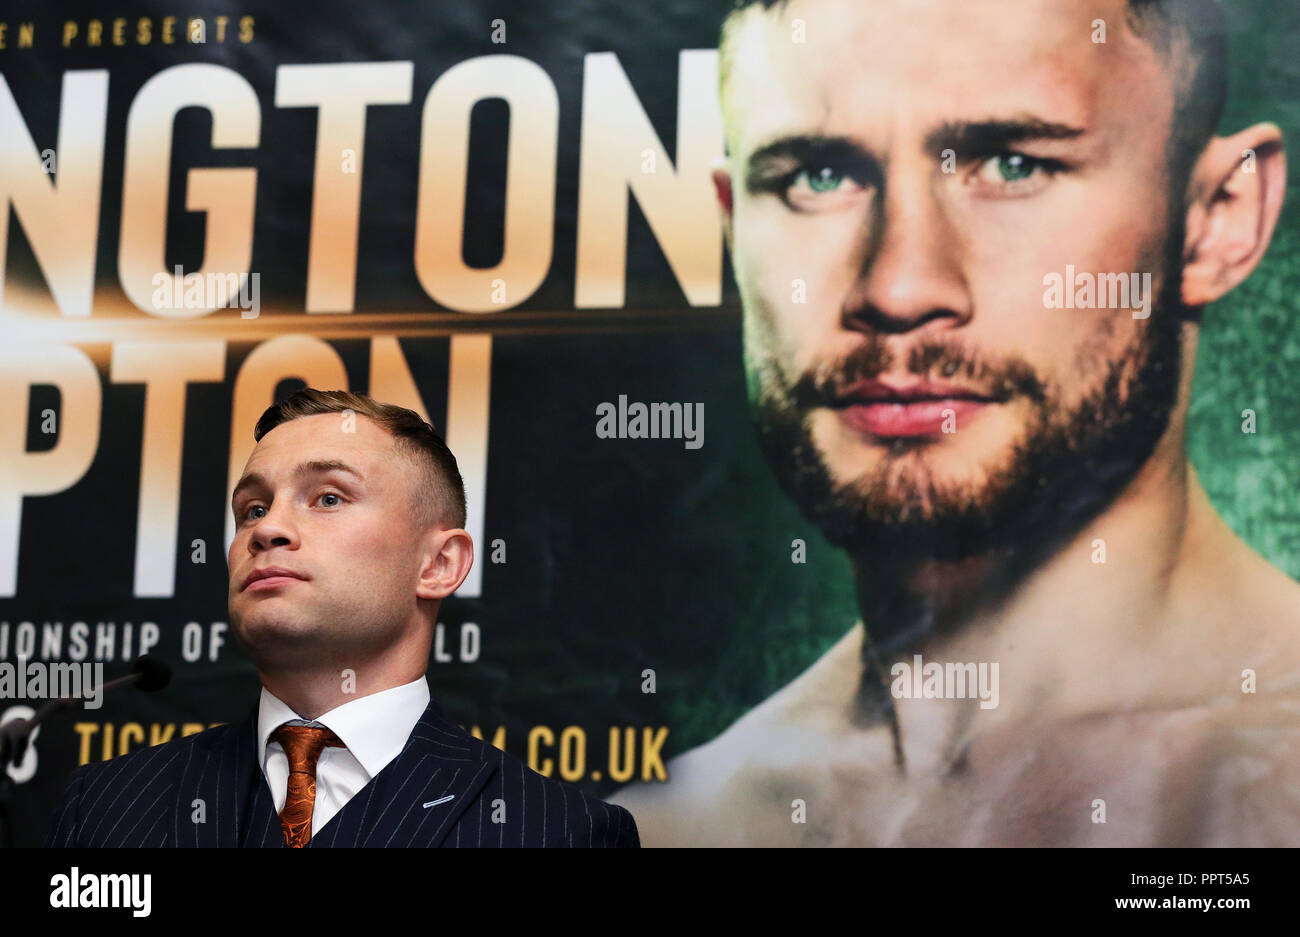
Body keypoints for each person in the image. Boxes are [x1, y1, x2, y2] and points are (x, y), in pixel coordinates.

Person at [612, 0, 1300, 845]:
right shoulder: (670, 828)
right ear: (731, 224)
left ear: (1216, 219)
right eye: (816, 177)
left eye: (1013, 164)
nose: (898, 289)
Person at [46, 388, 638, 847]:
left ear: (438, 564)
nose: (268, 529)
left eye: (328, 497)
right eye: (252, 508)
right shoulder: (104, 806)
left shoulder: (560, 833)